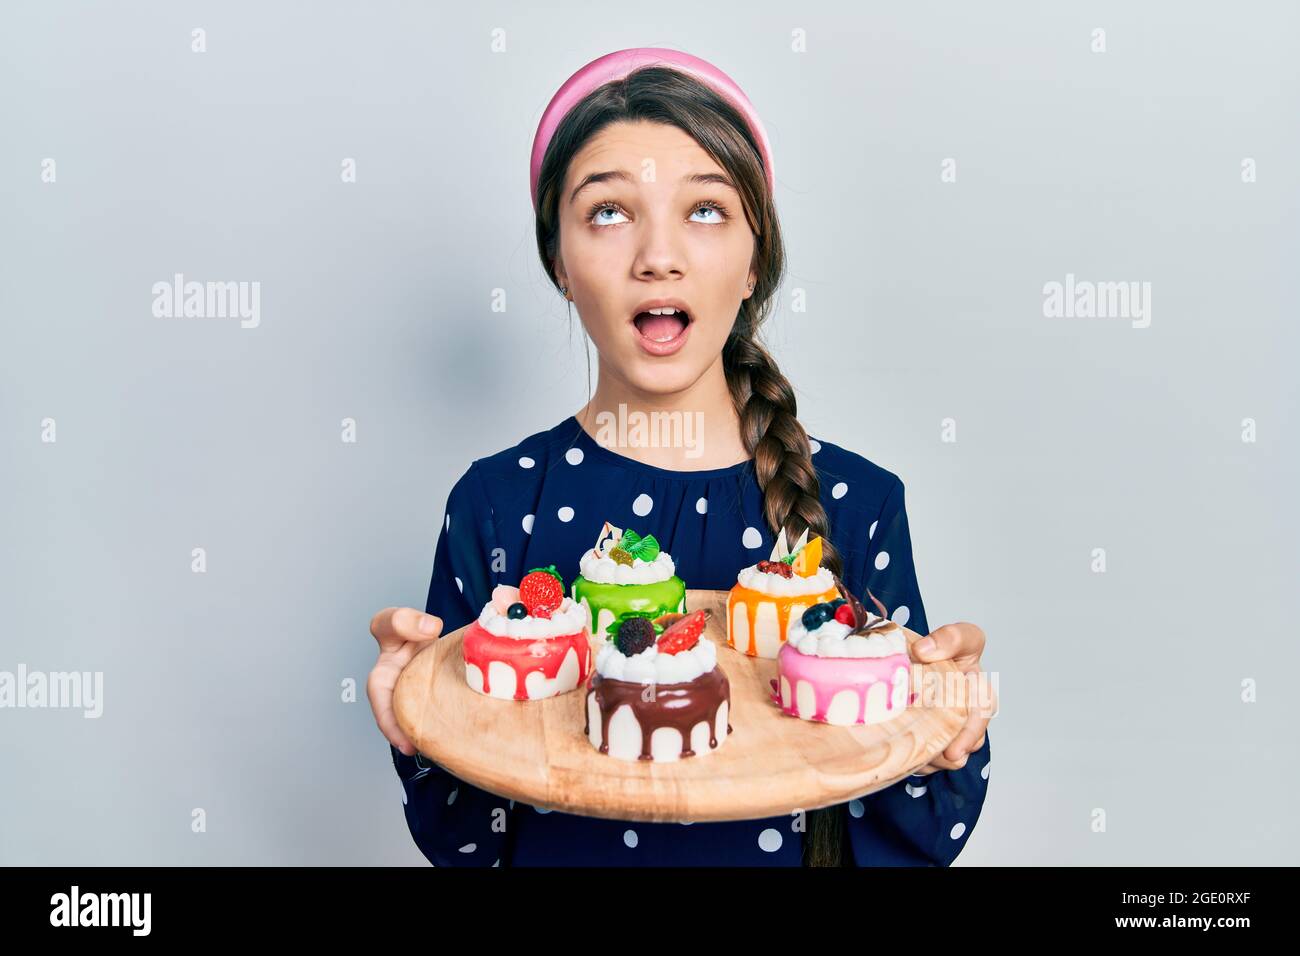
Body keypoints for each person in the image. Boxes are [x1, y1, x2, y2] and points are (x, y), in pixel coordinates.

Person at [367, 48, 994, 866]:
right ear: (557, 260)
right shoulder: (496, 504)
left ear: (755, 260)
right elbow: (468, 844)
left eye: (705, 211)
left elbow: (907, 842)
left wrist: (949, 734)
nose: (658, 255)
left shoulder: (859, 501)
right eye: (607, 212)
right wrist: (416, 721)